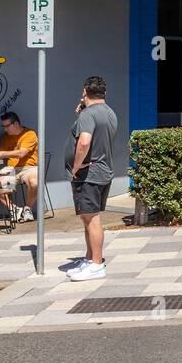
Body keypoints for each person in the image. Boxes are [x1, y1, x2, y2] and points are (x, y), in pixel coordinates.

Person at [65, 76, 120, 281]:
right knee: (89, 217)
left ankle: (96, 264)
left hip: (89, 174)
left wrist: (76, 166)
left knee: (92, 219)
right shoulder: (109, 113)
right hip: (103, 170)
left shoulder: (88, 114)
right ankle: (90, 260)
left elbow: (85, 142)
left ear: (84, 93)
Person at [0, 112, 39, 222]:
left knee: (35, 182)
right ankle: (14, 210)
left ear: (16, 123)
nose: (5, 129)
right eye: (3, 126)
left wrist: (1, 154)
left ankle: (27, 209)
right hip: (11, 169)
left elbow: (21, 153)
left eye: (7, 126)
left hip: (29, 168)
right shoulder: (5, 137)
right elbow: (0, 153)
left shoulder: (30, 134)